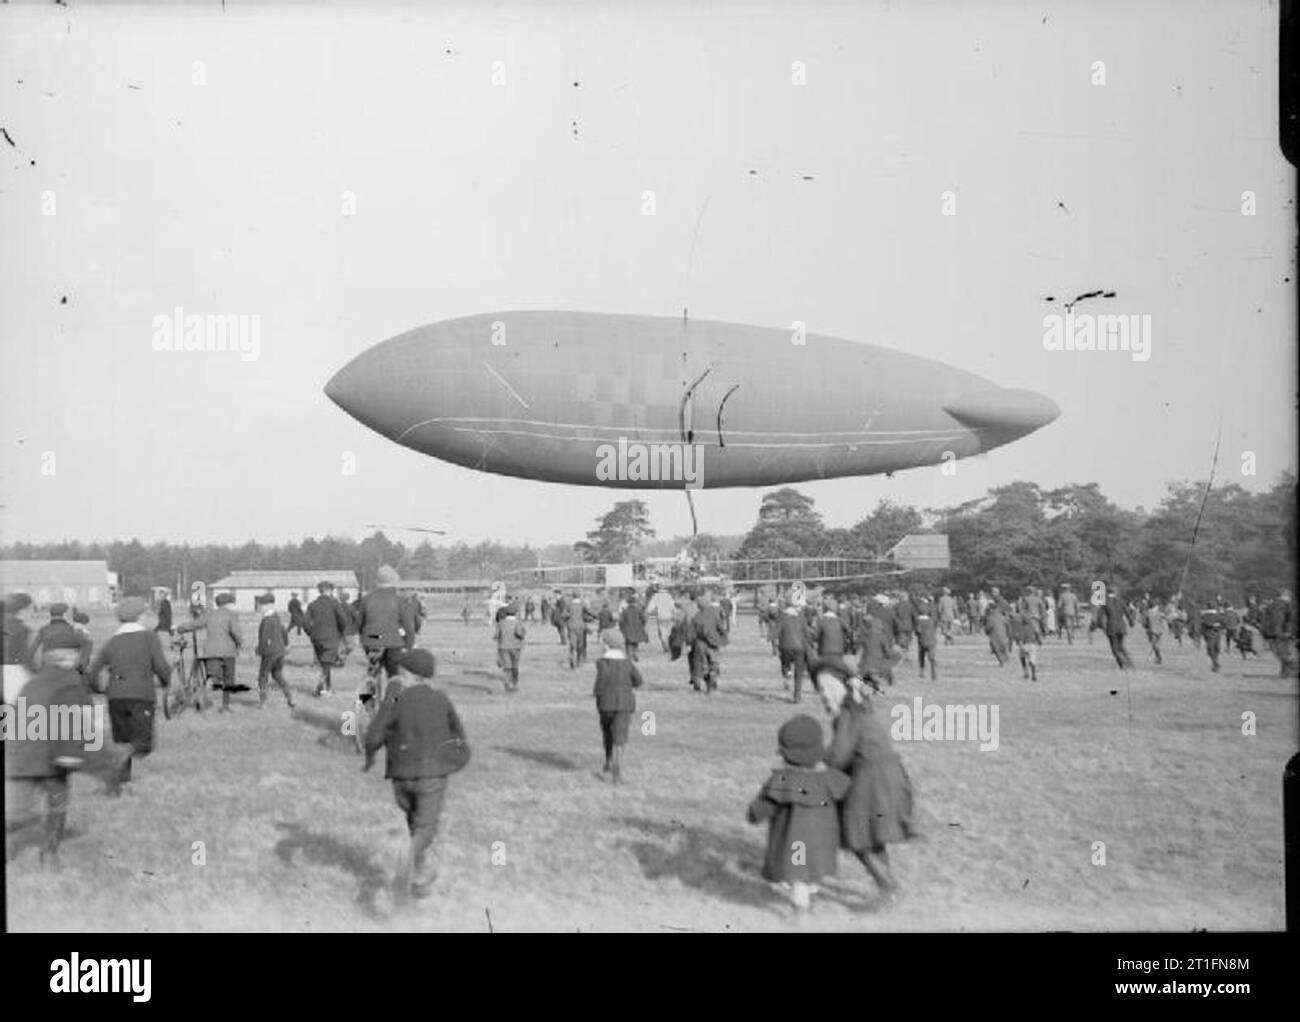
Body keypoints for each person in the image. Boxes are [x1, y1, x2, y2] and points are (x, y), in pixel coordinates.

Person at [363, 648, 468, 903]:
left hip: (401, 775)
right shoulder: (441, 699)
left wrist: (370, 757)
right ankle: (408, 859)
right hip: (432, 774)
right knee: (426, 828)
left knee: (414, 825)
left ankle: (416, 878)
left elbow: (374, 735)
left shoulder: (396, 700)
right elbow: (458, 734)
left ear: (409, 675)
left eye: (400, 672)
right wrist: (457, 758)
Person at [816, 663, 917, 898]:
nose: (822, 695)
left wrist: (813, 763)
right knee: (871, 835)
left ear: (839, 688)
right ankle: (888, 887)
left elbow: (839, 755)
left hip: (873, 778)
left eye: (826, 688)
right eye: (819, 689)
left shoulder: (848, 713)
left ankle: (889, 889)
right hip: (885, 775)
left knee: (856, 835)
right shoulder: (859, 706)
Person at [4, 634, 104, 865]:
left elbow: (10, 720)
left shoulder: (30, 683)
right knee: (58, 802)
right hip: (55, 759)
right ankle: (49, 853)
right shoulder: (73, 683)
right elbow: (89, 723)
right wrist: (93, 755)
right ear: (70, 657)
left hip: (22, 759)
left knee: (17, 812)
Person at [746, 714, 851, 914]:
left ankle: (799, 917)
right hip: (823, 841)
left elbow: (764, 807)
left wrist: (753, 813)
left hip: (796, 843)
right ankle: (811, 899)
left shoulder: (782, 781)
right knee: (812, 873)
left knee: (798, 877)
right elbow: (846, 795)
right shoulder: (830, 778)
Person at [85, 597, 171, 787]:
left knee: (122, 741)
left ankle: (119, 783)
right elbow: (161, 667)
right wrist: (167, 682)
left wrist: (100, 690)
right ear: (140, 616)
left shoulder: (112, 641)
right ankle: (119, 764)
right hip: (141, 695)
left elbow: (91, 673)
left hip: (115, 697)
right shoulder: (149, 637)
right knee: (143, 743)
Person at [592, 628, 643, 783]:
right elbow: (639, 680)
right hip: (624, 704)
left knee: (607, 733)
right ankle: (617, 766)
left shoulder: (602, 663)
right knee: (620, 738)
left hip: (606, 704)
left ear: (606, 645)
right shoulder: (627, 663)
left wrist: (597, 694)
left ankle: (608, 759)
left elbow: (600, 683)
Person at [176, 592, 243, 711]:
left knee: (211, 678)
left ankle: (201, 701)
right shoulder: (232, 615)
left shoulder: (209, 614)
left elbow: (196, 624)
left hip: (211, 652)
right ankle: (225, 706)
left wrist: (180, 628)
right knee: (228, 680)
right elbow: (236, 632)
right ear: (228, 604)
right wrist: (239, 643)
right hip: (228, 652)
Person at [358, 565, 417, 679]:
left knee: (372, 673)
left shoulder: (366, 599)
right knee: (394, 675)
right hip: (393, 641)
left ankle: (367, 694)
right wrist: (408, 646)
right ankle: (393, 695)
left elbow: (360, 624)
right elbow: (409, 627)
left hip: (372, 639)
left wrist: (364, 639)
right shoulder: (400, 601)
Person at [306, 581, 350, 697]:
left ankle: (325, 688)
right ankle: (322, 690)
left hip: (316, 638)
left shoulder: (312, 604)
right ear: (330, 591)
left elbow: (305, 623)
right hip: (331, 637)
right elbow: (344, 621)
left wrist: (311, 633)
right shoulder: (335, 604)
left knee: (324, 664)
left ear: (320, 591)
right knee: (326, 665)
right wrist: (340, 632)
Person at [254, 596, 295, 710]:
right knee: (277, 675)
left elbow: (264, 638)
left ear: (267, 606)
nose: (259, 608)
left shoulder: (266, 620)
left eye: (260, 605)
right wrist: (286, 645)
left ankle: (262, 702)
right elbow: (284, 632)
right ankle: (289, 697)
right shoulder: (277, 617)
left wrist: (259, 650)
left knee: (263, 676)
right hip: (280, 651)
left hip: (270, 652)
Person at [31, 603, 91, 673]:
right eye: (69, 614)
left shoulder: (44, 630)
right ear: (64, 615)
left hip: (48, 671)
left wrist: (35, 670)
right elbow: (87, 645)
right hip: (69, 671)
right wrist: (81, 668)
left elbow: (33, 649)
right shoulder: (73, 631)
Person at [690, 591, 727, 694]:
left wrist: (690, 643)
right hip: (713, 643)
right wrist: (723, 637)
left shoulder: (696, 617)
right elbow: (720, 627)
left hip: (700, 644)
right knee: (714, 663)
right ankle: (712, 680)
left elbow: (692, 632)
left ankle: (708, 682)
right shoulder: (714, 615)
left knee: (703, 665)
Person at [775, 601, 812, 702]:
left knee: (784, 661)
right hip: (799, 647)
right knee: (799, 673)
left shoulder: (782, 616)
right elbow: (806, 632)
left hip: (785, 646)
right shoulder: (801, 616)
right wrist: (810, 642)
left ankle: (787, 671)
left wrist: (771, 639)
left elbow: (776, 631)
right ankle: (797, 696)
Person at [494, 601, 526, 692]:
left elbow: (496, 635)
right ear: (515, 612)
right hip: (515, 647)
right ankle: (515, 683)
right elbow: (519, 633)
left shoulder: (501, 622)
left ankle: (507, 684)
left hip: (503, 647)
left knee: (507, 667)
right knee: (515, 666)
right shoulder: (517, 622)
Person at [1263, 591, 1295, 676]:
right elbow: (1290, 619)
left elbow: (1265, 619)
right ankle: (1287, 669)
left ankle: (1286, 670)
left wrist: (1265, 632)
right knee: (1284, 652)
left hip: (1272, 632)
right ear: (1285, 596)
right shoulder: (1287, 605)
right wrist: (1288, 631)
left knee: (1279, 651)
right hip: (1283, 632)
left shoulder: (1270, 605)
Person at [1101, 589, 1132, 670]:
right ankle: (1128, 662)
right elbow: (1128, 613)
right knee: (1121, 646)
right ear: (1115, 593)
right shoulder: (1121, 601)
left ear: (1107, 593)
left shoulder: (1105, 603)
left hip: (1111, 627)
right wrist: (1131, 622)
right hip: (1121, 626)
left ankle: (1122, 664)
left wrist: (1103, 628)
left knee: (1115, 648)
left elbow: (1102, 618)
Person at [1009, 608, 1041, 681]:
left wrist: (1017, 642)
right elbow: (1037, 634)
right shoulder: (1032, 626)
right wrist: (1039, 641)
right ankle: (1033, 674)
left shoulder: (1020, 628)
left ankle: (1026, 672)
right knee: (1033, 660)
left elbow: (1017, 636)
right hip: (1032, 645)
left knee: (1022, 658)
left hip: (1024, 645)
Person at [912, 595, 939, 681]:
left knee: (921, 657)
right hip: (932, 641)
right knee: (932, 658)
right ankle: (934, 674)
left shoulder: (918, 621)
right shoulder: (931, 620)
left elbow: (917, 632)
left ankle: (921, 672)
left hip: (922, 641)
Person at [619, 593, 649, 662]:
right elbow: (644, 618)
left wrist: (621, 628)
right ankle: (634, 652)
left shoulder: (625, 611)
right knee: (635, 642)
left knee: (628, 643)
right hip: (637, 629)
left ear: (628, 603)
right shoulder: (638, 610)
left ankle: (629, 656)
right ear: (634, 603)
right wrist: (642, 625)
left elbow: (621, 621)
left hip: (627, 629)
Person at [565, 592, 592, 669]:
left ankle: (571, 656)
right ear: (579, 596)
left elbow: (563, 614)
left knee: (572, 644)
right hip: (580, 626)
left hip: (571, 626)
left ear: (572, 596)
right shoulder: (582, 604)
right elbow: (589, 612)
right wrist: (594, 617)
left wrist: (568, 618)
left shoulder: (569, 605)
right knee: (580, 644)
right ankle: (578, 660)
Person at [984, 602, 1010, 666]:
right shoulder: (1001, 615)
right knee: (1003, 646)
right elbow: (1007, 624)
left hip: (994, 635)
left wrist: (986, 631)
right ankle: (1005, 659)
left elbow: (988, 626)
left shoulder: (990, 616)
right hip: (1003, 634)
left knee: (996, 648)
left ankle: (1001, 661)